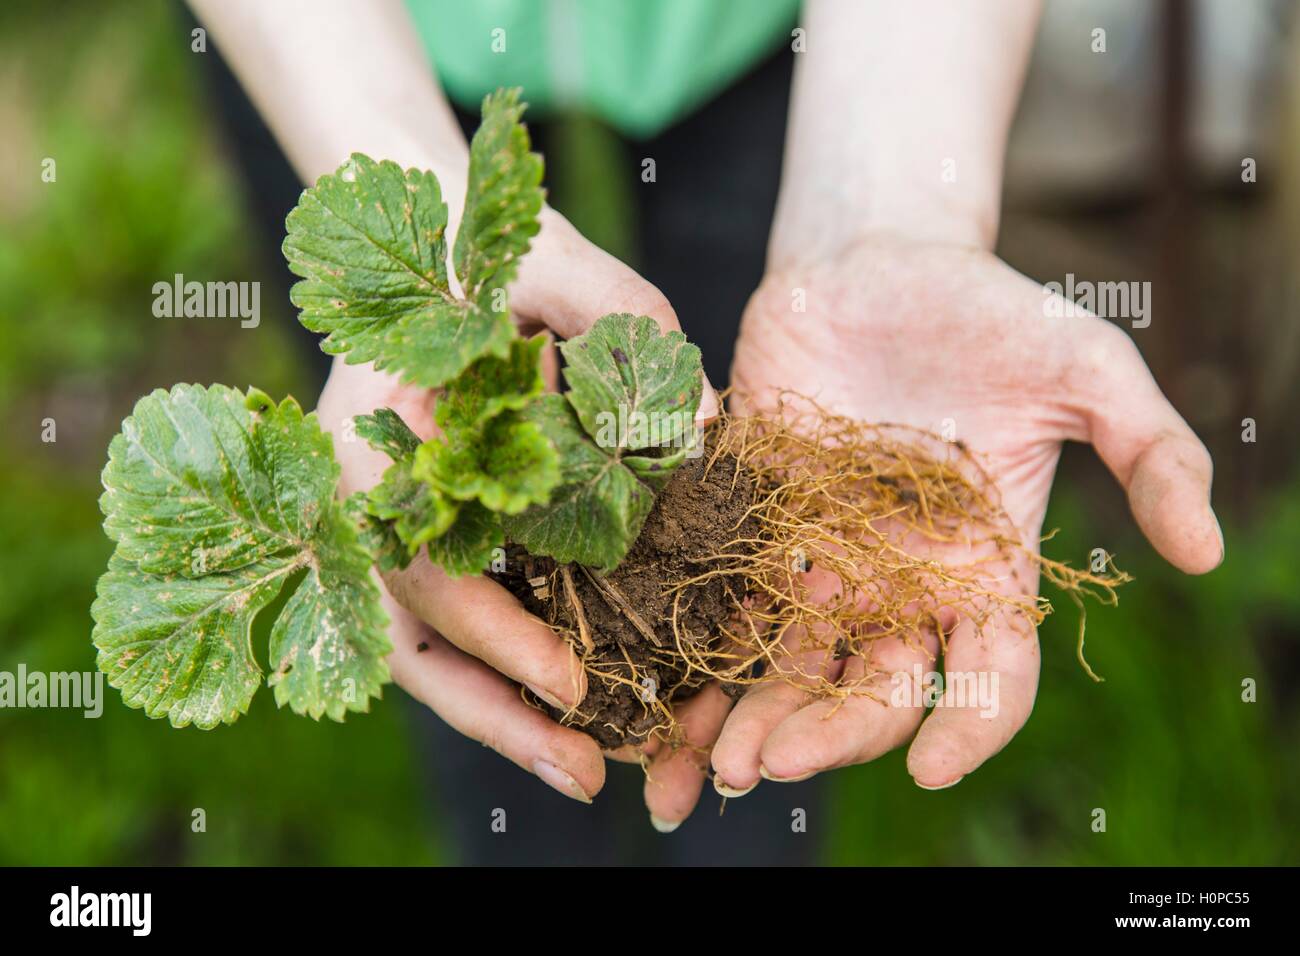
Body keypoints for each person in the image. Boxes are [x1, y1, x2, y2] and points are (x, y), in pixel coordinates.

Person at [189, 0, 1222, 862]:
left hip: (776, 34)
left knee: (773, 625)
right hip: (339, 41)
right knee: (445, 569)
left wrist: (888, 214)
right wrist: (424, 246)